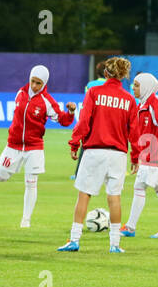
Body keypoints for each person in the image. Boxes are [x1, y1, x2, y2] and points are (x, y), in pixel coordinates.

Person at [56, 57, 137, 253]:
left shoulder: (94, 92)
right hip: (118, 154)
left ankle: (74, 240)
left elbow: (84, 121)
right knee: (114, 197)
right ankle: (115, 245)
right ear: (123, 75)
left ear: (106, 73)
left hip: (94, 151)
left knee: (84, 195)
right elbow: (134, 131)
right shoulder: (129, 99)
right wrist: (136, 157)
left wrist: (75, 143)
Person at [0, 64, 76, 228]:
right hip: (14, 145)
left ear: (44, 83)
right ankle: (11, 170)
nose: (34, 86)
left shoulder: (47, 102)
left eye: (39, 83)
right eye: (33, 81)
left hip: (34, 147)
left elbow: (64, 120)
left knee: (31, 182)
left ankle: (26, 220)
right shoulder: (20, 93)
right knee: (0, 175)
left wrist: (71, 113)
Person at [121, 72, 158, 240]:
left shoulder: (153, 104)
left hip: (153, 156)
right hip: (152, 156)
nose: (134, 88)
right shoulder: (142, 105)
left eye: (137, 85)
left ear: (145, 87)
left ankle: (130, 227)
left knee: (139, 188)